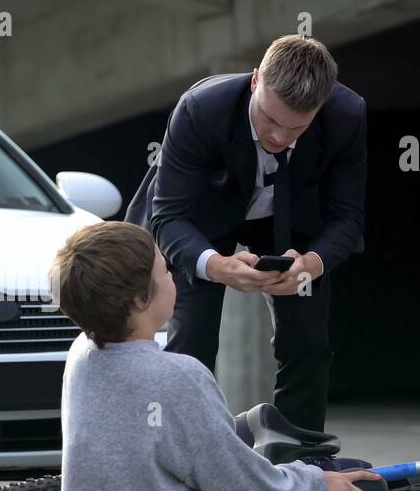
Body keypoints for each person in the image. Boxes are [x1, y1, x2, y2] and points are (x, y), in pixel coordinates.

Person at [49, 221, 420, 491]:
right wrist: (317, 483)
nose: (173, 278)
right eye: (165, 270)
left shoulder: (81, 355)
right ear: (138, 300)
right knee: (364, 482)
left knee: (267, 434)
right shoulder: (179, 376)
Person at [124, 35, 365, 433]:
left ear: (321, 109)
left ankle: (299, 458)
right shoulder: (201, 108)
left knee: (308, 343)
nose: (279, 138)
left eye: (297, 128)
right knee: (192, 340)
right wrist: (216, 266)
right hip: (200, 217)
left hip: (293, 219)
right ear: (255, 81)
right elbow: (169, 215)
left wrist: (311, 264)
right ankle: (183, 454)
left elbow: (347, 216)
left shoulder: (347, 114)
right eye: (270, 120)